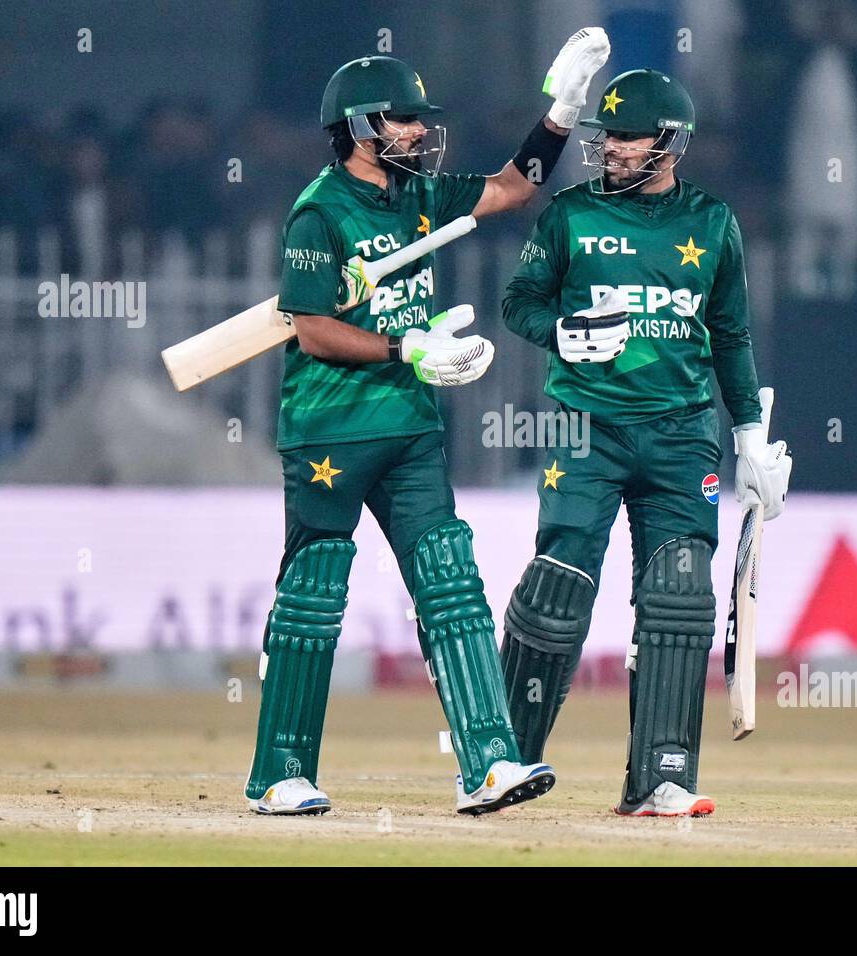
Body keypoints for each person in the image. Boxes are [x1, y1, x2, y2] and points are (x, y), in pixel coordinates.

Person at [244, 30, 612, 816]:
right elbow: (309, 327)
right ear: (362, 126)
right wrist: (405, 344)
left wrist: (564, 109)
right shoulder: (318, 213)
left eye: (419, 119)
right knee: (313, 598)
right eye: (404, 120)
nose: (419, 132)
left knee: (451, 585)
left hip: (410, 428)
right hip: (328, 432)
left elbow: (515, 190)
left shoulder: (419, 195)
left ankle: (488, 764)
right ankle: (279, 775)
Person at [499, 69, 793, 816]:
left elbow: (729, 337)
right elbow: (518, 303)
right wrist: (561, 332)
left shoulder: (712, 222)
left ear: (671, 143)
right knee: (557, 590)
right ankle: (503, 759)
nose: (613, 148)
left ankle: (661, 775)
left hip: (682, 434)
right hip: (586, 427)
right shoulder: (568, 215)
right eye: (608, 136)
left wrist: (750, 439)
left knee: (678, 595)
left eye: (628, 137)